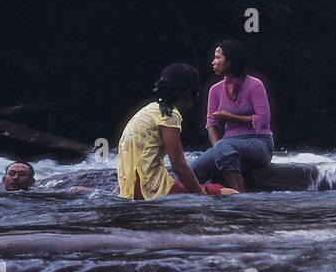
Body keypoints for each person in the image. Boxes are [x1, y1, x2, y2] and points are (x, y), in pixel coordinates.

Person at [116, 63, 238, 199]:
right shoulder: (169, 115)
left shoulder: (147, 111)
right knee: (228, 193)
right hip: (152, 191)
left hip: (131, 189)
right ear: (189, 92)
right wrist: (202, 195)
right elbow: (178, 165)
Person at [192, 40, 274, 192]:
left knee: (224, 146)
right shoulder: (214, 90)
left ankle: (239, 198)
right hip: (227, 146)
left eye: (217, 58)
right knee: (189, 171)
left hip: (259, 142)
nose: (213, 62)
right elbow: (211, 124)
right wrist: (218, 150)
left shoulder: (255, 85)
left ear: (230, 61)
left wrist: (230, 117)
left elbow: (263, 120)